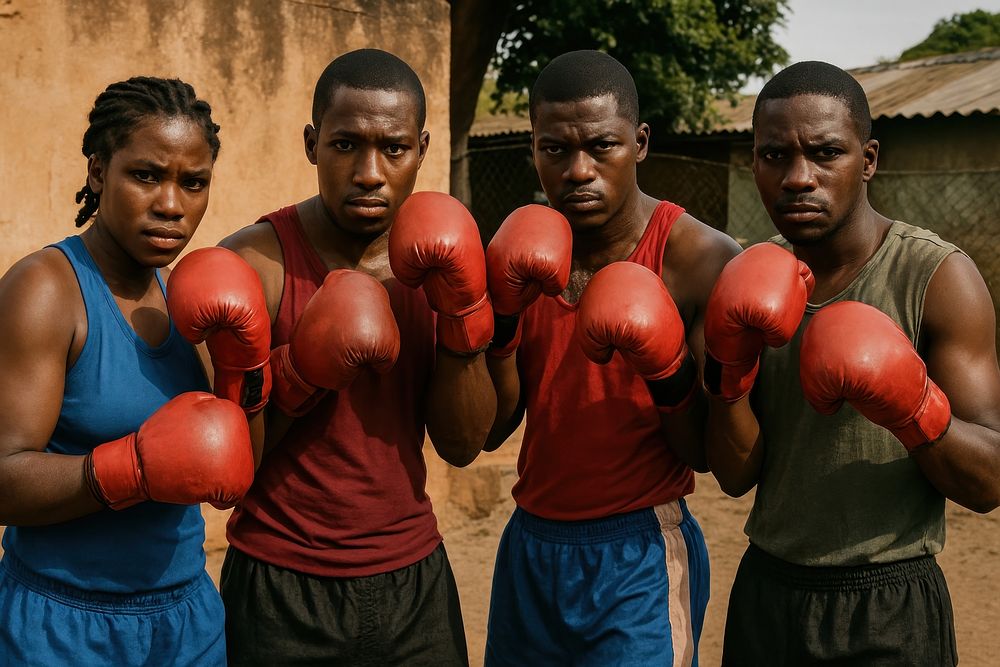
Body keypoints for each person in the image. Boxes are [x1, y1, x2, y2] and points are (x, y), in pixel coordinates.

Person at [705, 61, 1000, 666]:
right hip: (767, 591)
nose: (798, 178)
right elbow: (734, 478)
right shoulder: (748, 281)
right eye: (774, 156)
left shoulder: (937, 278)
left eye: (826, 153)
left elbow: (989, 483)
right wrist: (728, 379)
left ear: (868, 160)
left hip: (890, 598)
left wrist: (914, 406)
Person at [217, 49, 497, 666]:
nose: (370, 173)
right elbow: (230, 470)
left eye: (393, 149)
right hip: (277, 582)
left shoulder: (447, 264)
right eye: (345, 145)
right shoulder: (256, 264)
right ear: (312, 144)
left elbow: (462, 445)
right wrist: (299, 373)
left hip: (413, 578)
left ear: (422, 149)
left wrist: (460, 315)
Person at [482, 50, 741, 666]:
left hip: (639, 550)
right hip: (530, 540)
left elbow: (705, 455)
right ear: (533, 148)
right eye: (555, 150)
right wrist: (504, 323)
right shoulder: (516, 255)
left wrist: (668, 367)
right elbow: (491, 430)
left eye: (602, 147)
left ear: (640, 142)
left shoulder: (700, 260)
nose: (578, 171)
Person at [0, 77, 255, 666]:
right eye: (145, 175)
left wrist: (256, 372)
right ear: (97, 172)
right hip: (63, 625)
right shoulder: (47, 290)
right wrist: (130, 470)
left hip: (186, 617)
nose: (171, 204)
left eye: (193, 183)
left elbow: (232, 469)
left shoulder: (193, 296)